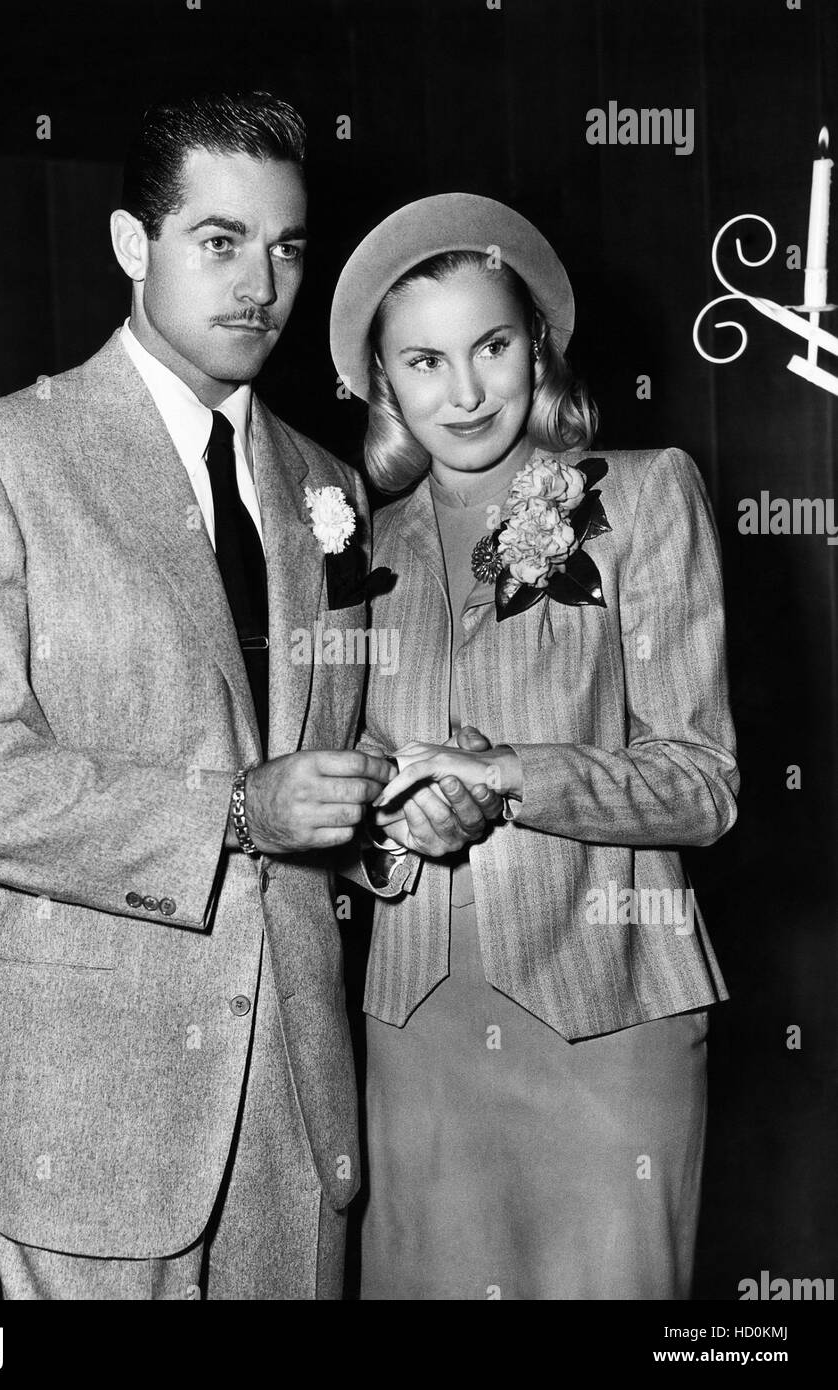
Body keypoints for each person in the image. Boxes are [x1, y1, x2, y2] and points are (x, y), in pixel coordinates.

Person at [0, 96, 497, 1301]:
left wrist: (399, 818)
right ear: (130, 244)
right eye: (217, 242)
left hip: (297, 1097)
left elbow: (329, 761)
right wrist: (230, 813)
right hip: (96, 1112)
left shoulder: (324, 486)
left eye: (286, 247)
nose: (259, 283)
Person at [329, 194, 740, 1300]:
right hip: (419, 1028)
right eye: (422, 360)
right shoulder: (362, 548)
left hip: (606, 1013)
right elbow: (351, 797)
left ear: (538, 341)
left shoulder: (645, 495)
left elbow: (700, 782)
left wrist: (505, 778)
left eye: (491, 346)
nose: (462, 393)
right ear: (381, 380)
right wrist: (396, 826)